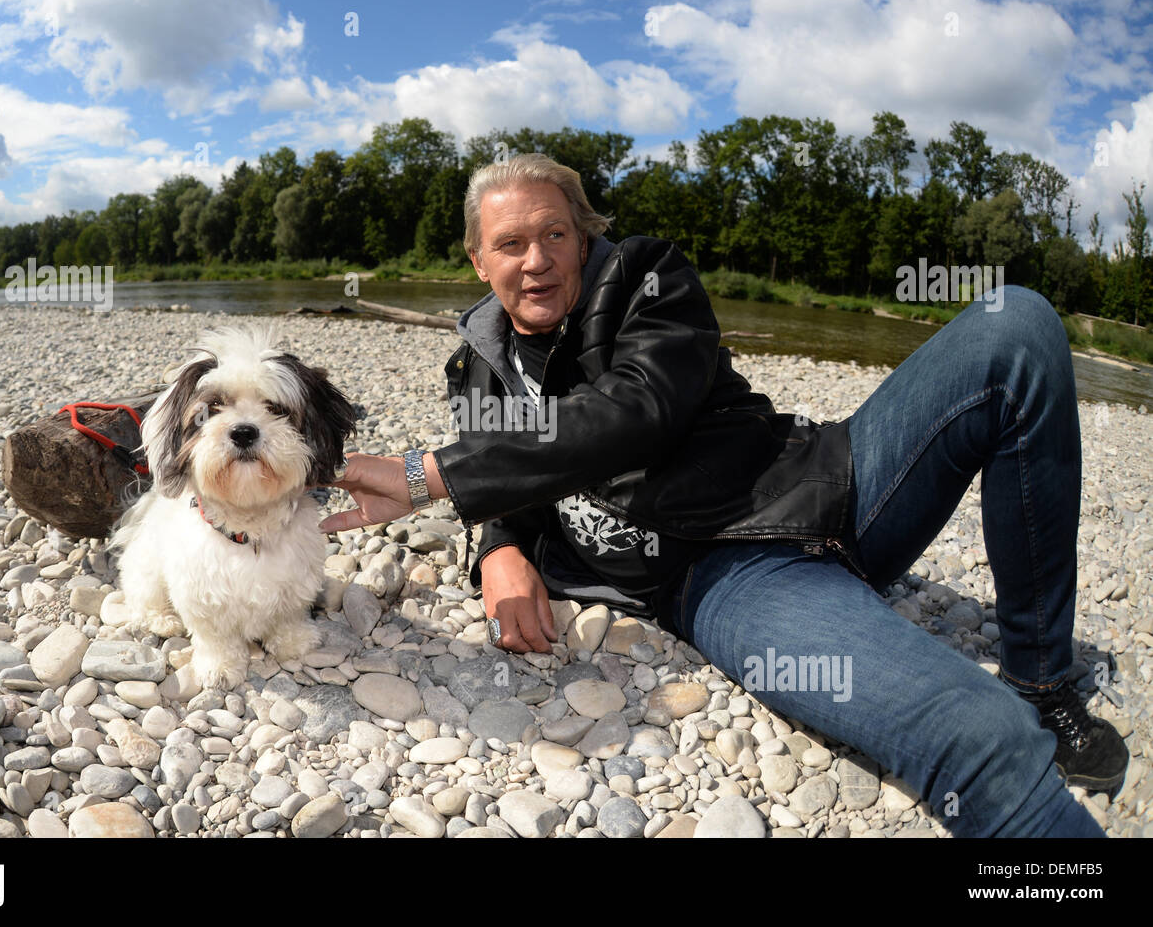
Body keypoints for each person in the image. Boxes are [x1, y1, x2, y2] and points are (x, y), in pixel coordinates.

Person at [321, 152, 1127, 837]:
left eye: (554, 234)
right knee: (976, 733)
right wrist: (499, 546)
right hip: (727, 580)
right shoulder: (475, 371)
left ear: (584, 236)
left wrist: (431, 475)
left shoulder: (646, 279)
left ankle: (1043, 681)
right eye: (511, 244)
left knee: (1012, 322)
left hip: (830, 481)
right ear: (477, 261)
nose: (536, 260)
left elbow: (636, 411)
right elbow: (519, 474)